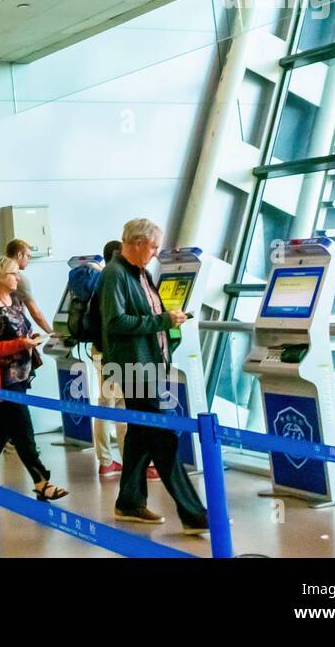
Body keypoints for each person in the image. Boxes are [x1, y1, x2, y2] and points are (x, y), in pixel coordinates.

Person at [100, 218, 209, 536]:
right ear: (135, 243)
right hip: (134, 369)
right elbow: (115, 321)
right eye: (153, 246)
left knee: (140, 435)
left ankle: (129, 502)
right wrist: (162, 320)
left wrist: (166, 321)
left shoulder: (141, 273)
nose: (156, 252)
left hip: (148, 366)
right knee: (164, 436)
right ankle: (193, 513)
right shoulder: (115, 275)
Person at [0, 256, 68, 502]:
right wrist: (20, 344)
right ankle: (41, 482)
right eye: (14, 274)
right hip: (3, 382)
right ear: (1, 277)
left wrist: (30, 337)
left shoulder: (13, 302)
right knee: (24, 432)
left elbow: (19, 329)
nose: (18, 278)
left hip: (20, 377)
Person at [88, 239, 128, 478]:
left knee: (112, 402)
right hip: (111, 352)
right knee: (112, 404)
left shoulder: (100, 279)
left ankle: (115, 460)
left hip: (100, 350)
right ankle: (108, 460)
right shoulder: (111, 281)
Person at [6, 239, 51, 332]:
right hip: (12, 333)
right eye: (28, 256)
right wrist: (52, 334)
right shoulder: (19, 279)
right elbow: (36, 313)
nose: (29, 260)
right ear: (19, 255)